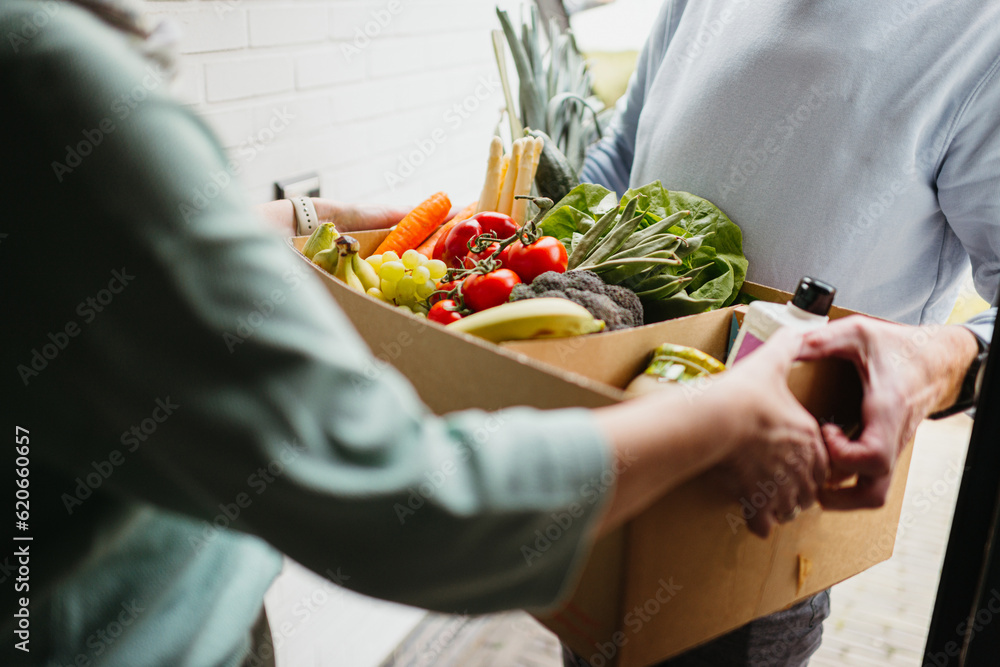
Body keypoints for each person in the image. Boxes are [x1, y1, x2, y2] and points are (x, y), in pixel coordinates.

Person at [1, 2, 830, 665]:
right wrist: (720, 416)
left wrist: (295, 220)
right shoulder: (52, 78)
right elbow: (408, 502)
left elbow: (90, 251)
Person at [564, 1, 998, 665]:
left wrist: (941, 360)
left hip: (752, 525)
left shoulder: (980, 31)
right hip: (611, 465)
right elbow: (622, 155)